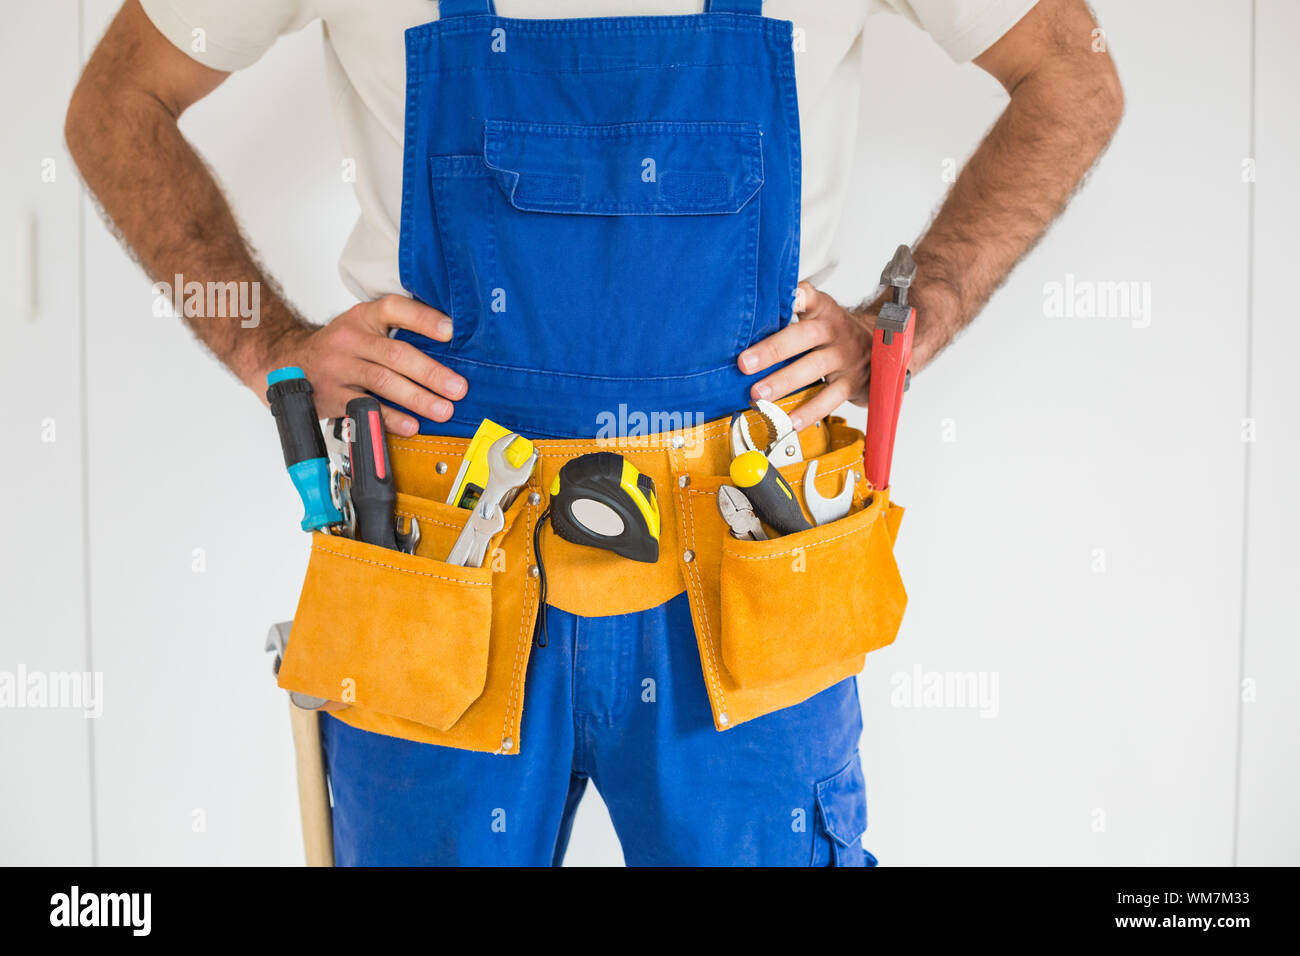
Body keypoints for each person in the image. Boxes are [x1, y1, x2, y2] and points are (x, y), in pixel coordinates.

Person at [66, 0, 1122, 866]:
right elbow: (117, 103)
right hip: (434, 561)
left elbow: (1073, 75)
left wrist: (911, 311)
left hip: (746, 562)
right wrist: (274, 348)